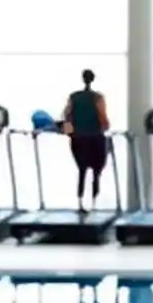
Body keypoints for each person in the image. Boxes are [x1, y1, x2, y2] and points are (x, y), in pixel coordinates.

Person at [62, 69, 111, 214]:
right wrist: (104, 127)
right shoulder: (98, 98)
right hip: (95, 137)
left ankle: (80, 201)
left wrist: (69, 134)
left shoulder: (74, 96)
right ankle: (94, 202)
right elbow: (103, 118)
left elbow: (66, 115)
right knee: (97, 171)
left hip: (78, 138)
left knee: (81, 170)